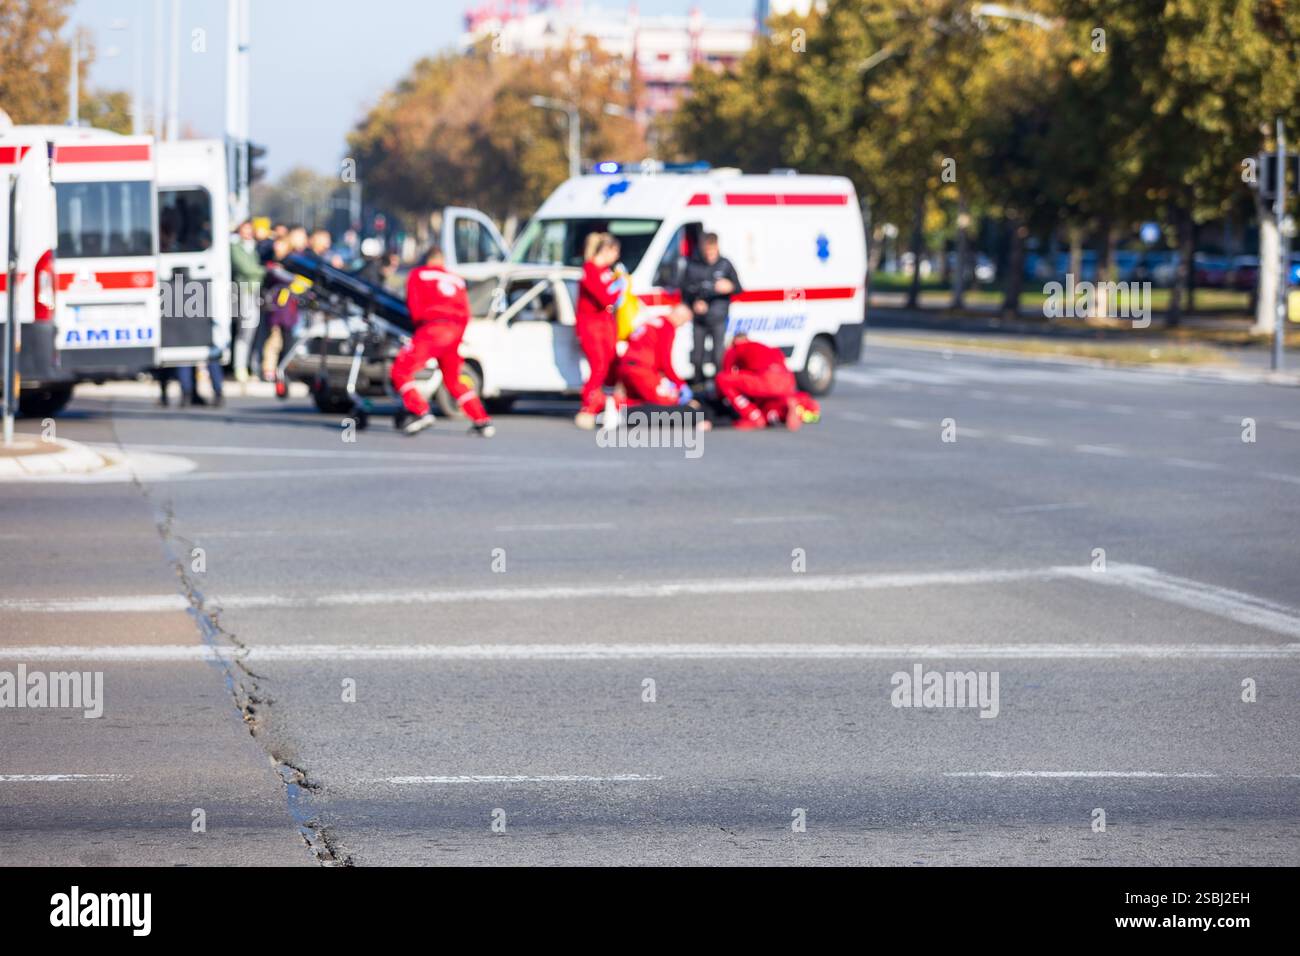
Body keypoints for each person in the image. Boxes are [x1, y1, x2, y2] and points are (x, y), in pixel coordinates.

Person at [390, 245, 495, 438]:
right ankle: (482, 420)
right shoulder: (457, 280)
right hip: (455, 331)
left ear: (427, 259)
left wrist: (419, 330)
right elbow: (466, 312)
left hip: (432, 328)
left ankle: (420, 410)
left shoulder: (418, 274)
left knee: (401, 370)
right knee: (453, 379)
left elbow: (414, 305)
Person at [715, 333, 818, 431]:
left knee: (722, 379)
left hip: (767, 380)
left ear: (735, 341)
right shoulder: (765, 347)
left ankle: (754, 416)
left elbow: (727, 370)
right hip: (787, 382)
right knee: (773, 403)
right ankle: (788, 407)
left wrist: (719, 397)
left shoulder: (737, 348)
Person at [574, 232, 622, 429]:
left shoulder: (606, 271)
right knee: (599, 365)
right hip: (591, 325)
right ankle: (588, 405)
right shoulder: (590, 269)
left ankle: (607, 403)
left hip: (605, 323)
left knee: (612, 364)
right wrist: (618, 288)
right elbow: (605, 298)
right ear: (608, 250)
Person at [681, 233, 742, 384]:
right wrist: (694, 302)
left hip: (718, 317)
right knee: (697, 356)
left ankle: (720, 386)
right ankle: (698, 386)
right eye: (707, 252)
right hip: (700, 319)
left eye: (712, 251)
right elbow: (685, 289)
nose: (710, 255)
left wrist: (730, 286)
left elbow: (739, 288)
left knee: (718, 356)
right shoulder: (693, 265)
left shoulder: (725, 264)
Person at [616, 304, 692, 405]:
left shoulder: (653, 320)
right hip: (642, 370)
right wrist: (680, 384)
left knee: (634, 403)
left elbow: (632, 339)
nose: (680, 326)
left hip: (625, 366)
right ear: (680, 318)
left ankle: (613, 414)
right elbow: (664, 362)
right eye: (683, 322)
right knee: (663, 405)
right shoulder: (667, 327)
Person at [230, 220, 266, 382]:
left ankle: (250, 364)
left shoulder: (254, 247)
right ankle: (239, 366)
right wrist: (263, 271)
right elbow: (245, 268)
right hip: (243, 290)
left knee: (252, 331)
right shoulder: (235, 247)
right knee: (244, 331)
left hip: (255, 291)